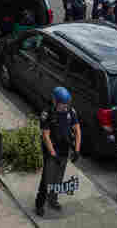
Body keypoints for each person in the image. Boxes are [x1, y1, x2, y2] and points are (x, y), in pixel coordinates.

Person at [35, 87, 81, 217]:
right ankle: (39, 204)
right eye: (62, 104)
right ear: (55, 102)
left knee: (58, 178)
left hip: (64, 149)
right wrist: (52, 153)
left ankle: (53, 199)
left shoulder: (71, 111)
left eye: (66, 104)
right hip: (51, 150)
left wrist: (77, 150)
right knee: (47, 179)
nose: (65, 107)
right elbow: (46, 136)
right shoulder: (47, 113)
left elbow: (77, 130)